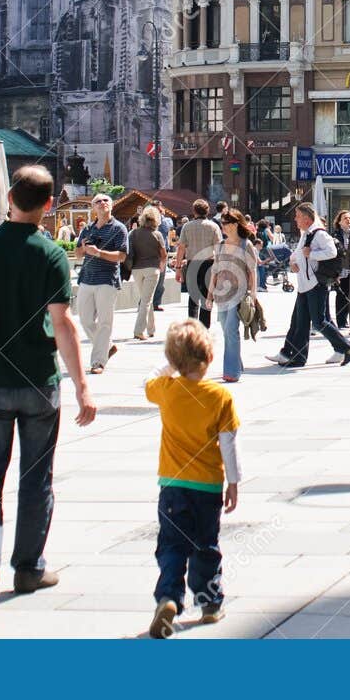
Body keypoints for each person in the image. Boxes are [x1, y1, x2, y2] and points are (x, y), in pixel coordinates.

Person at [0, 164, 96, 613]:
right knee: (37, 479)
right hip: (37, 382)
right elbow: (63, 323)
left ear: (9, 197)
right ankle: (29, 567)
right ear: (49, 205)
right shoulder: (49, 253)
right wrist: (82, 386)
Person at [144, 320, 240, 638]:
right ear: (210, 357)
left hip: (172, 486)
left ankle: (169, 597)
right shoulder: (219, 397)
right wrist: (234, 482)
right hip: (208, 487)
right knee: (205, 545)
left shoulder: (167, 391)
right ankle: (210, 603)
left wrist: (170, 365)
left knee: (171, 545)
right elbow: (228, 443)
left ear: (174, 360)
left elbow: (148, 381)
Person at [270, 204, 350, 368]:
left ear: (306, 218)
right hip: (305, 284)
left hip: (316, 284)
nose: (295, 219)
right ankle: (298, 357)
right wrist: (293, 263)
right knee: (301, 322)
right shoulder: (307, 234)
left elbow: (332, 252)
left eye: (297, 216)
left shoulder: (319, 234)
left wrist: (312, 254)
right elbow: (298, 254)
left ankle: (346, 347)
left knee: (319, 322)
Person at [75, 195, 128, 374]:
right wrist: (83, 248)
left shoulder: (119, 228)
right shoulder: (87, 229)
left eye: (106, 200)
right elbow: (78, 254)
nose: (102, 203)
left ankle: (98, 362)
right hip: (86, 278)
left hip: (107, 279)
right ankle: (108, 346)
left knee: (105, 322)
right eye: (98, 201)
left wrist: (98, 253)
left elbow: (121, 256)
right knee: (85, 319)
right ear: (93, 208)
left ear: (111, 206)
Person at [212, 210, 258, 383]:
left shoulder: (246, 245)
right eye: (221, 223)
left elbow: (252, 271)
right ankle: (237, 363)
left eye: (225, 223)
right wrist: (209, 295)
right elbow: (215, 271)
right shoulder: (221, 244)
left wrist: (253, 294)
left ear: (235, 224)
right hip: (221, 294)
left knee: (231, 330)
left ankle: (231, 372)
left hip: (239, 293)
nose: (222, 226)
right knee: (225, 330)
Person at [173, 199, 220, 329]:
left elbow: (181, 248)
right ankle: (204, 327)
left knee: (193, 297)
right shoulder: (213, 226)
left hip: (192, 263)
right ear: (207, 211)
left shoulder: (187, 227)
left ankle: (192, 326)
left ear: (194, 211)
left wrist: (178, 268)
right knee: (207, 296)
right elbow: (219, 249)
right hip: (209, 264)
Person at [128, 208, 168, 340]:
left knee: (146, 298)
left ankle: (151, 329)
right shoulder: (157, 235)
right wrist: (162, 266)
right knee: (146, 300)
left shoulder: (133, 233)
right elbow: (163, 254)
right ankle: (138, 331)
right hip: (152, 269)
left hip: (136, 269)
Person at [331, 210, 350, 329]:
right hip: (341, 270)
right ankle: (341, 321)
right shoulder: (335, 235)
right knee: (341, 296)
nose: (348, 220)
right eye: (345, 218)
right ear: (339, 222)